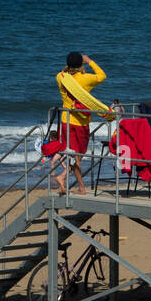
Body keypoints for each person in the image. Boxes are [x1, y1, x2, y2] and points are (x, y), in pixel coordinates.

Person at [54, 52, 107, 195]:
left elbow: (62, 72)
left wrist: (72, 66)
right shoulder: (86, 79)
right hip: (80, 123)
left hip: (66, 120)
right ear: (81, 64)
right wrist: (90, 61)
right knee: (77, 156)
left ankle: (64, 177)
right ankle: (78, 186)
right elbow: (102, 75)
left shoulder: (61, 78)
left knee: (72, 155)